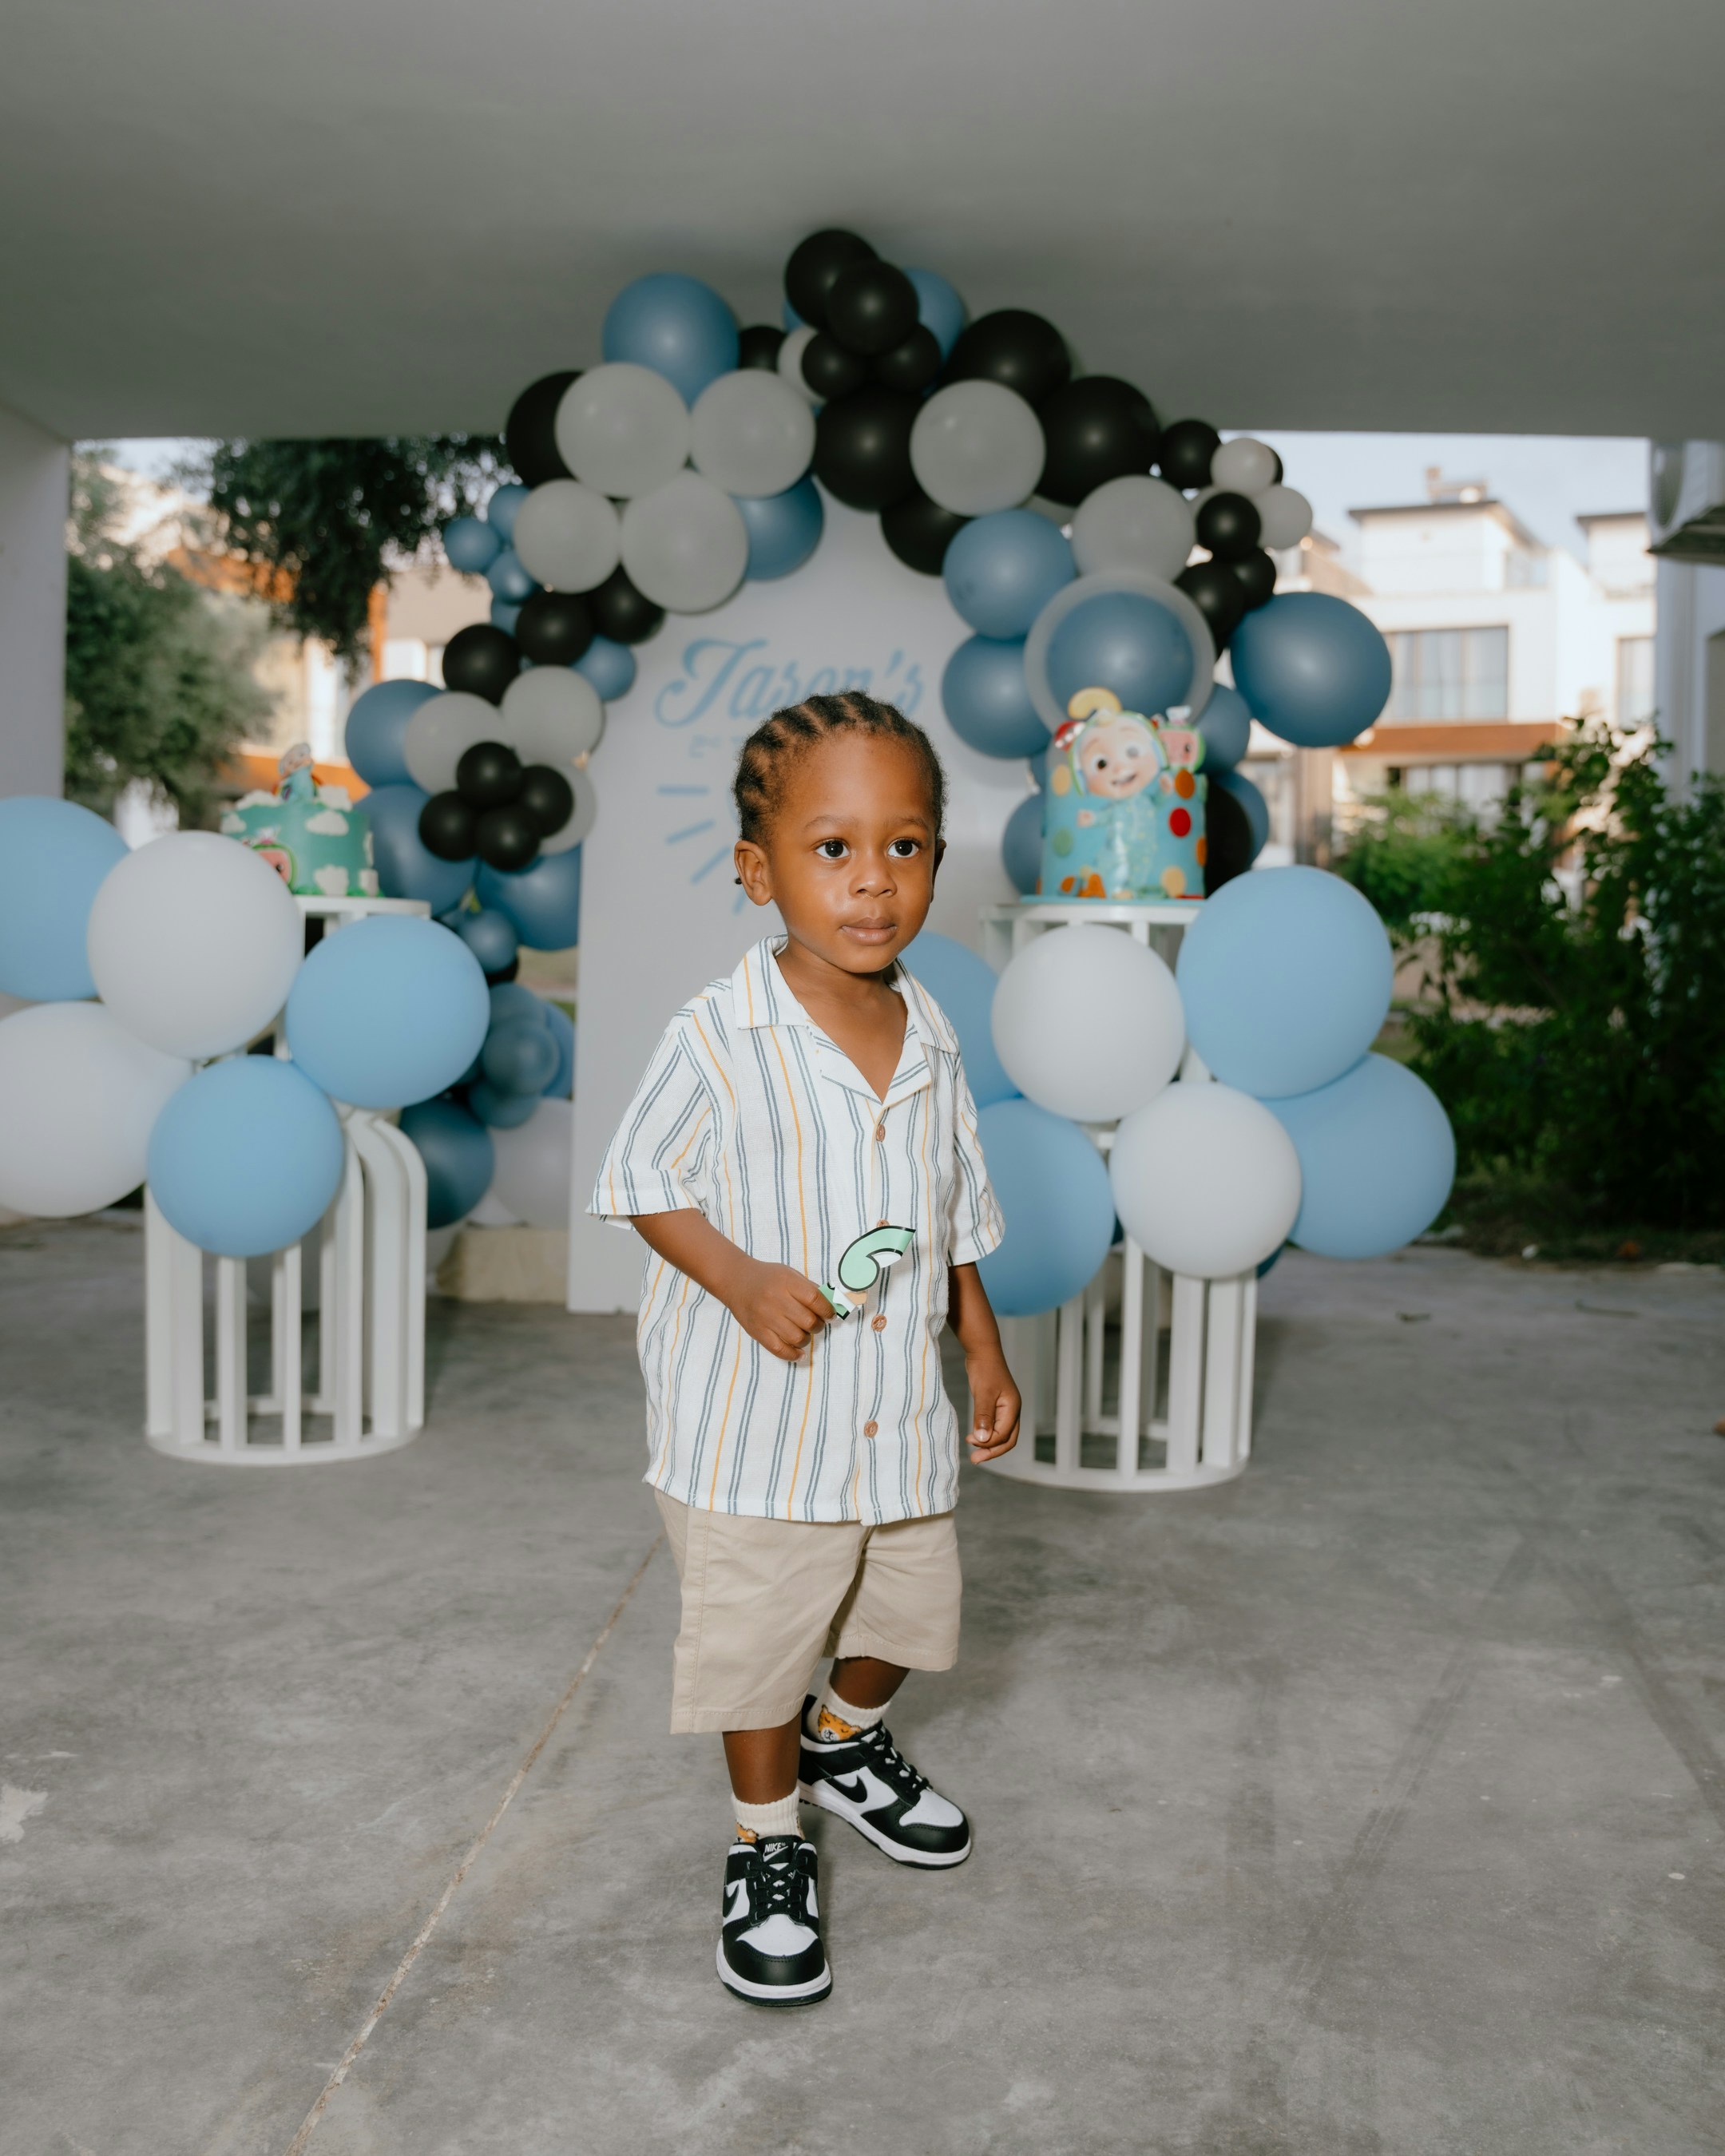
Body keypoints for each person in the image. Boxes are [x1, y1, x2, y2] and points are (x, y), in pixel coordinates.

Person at [592, 690, 1021, 2007]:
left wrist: (984, 1346)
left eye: (907, 845)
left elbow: (950, 1205)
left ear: (940, 860)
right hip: (757, 1427)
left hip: (895, 1410)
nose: (874, 881)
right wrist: (735, 1276)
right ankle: (765, 1844)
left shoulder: (933, 1033)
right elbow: (642, 1176)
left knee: (910, 1612)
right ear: (756, 869)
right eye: (833, 848)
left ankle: (849, 1737)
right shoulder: (721, 1035)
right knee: (763, 1643)